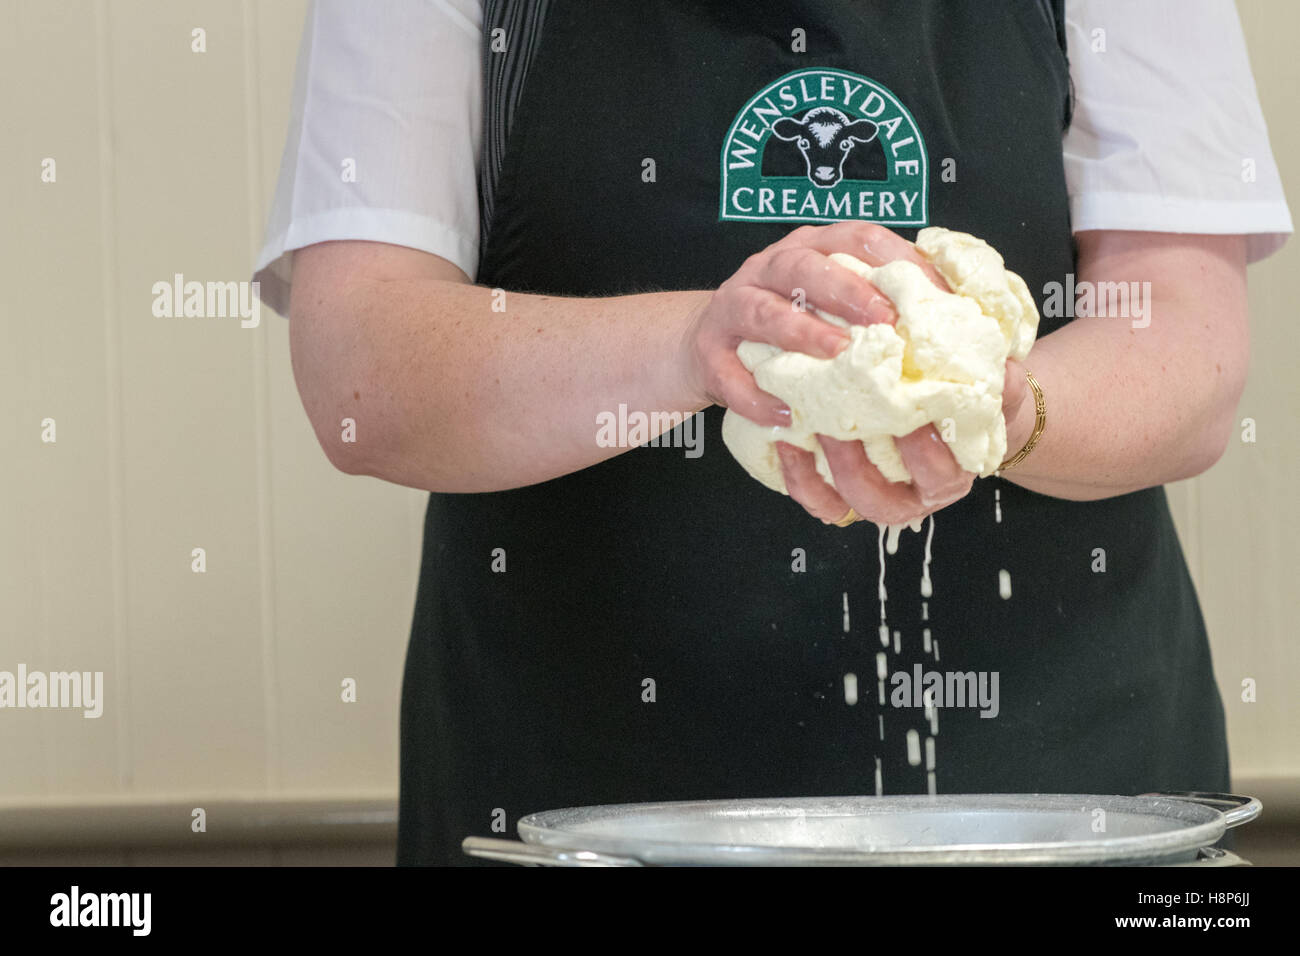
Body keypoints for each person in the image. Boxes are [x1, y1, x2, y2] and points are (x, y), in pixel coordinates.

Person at [253, 0, 1292, 865]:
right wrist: (698, 346)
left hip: (1055, 793)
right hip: (584, 791)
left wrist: (997, 410)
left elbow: (1186, 351)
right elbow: (361, 372)